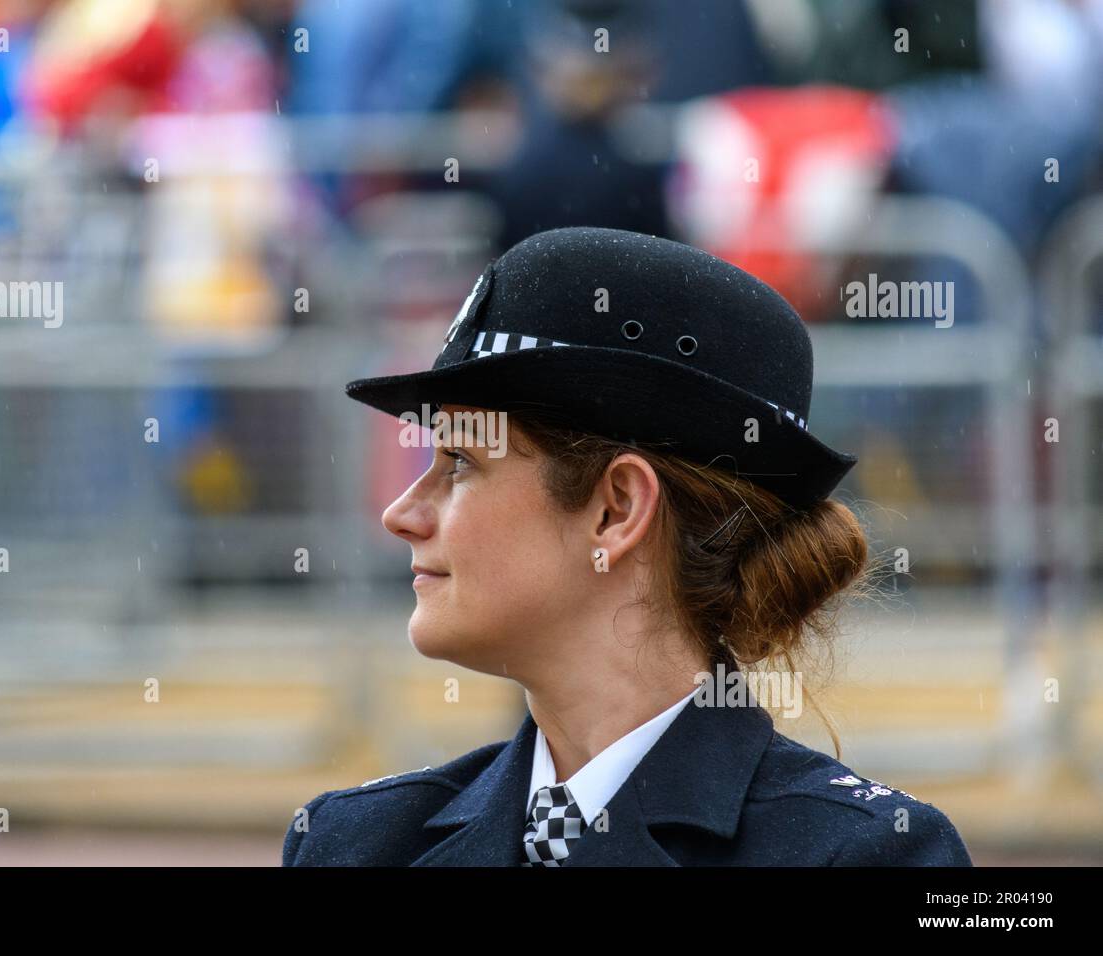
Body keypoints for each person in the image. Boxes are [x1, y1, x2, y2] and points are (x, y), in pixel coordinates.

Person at [283, 226, 973, 866]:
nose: (401, 514)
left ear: (616, 511)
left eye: (461, 462)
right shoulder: (354, 844)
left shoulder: (862, 856)